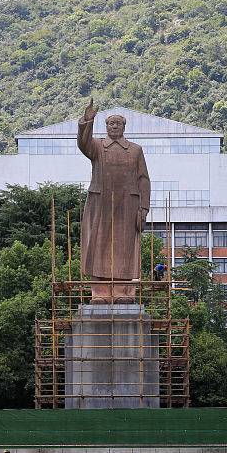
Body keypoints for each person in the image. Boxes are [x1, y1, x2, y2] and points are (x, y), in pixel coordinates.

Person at [77, 100, 151, 303]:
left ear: (124, 127)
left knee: (125, 248)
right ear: (106, 127)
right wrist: (87, 121)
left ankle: (123, 292)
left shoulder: (135, 150)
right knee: (98, 245)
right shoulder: (98, 146)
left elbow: (143, 178)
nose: (114, 127)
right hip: (101, 204)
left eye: (118, 124)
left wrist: (143, 208)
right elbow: (83, 144)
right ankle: (99, 293)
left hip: (127, 206)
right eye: (111, 124)